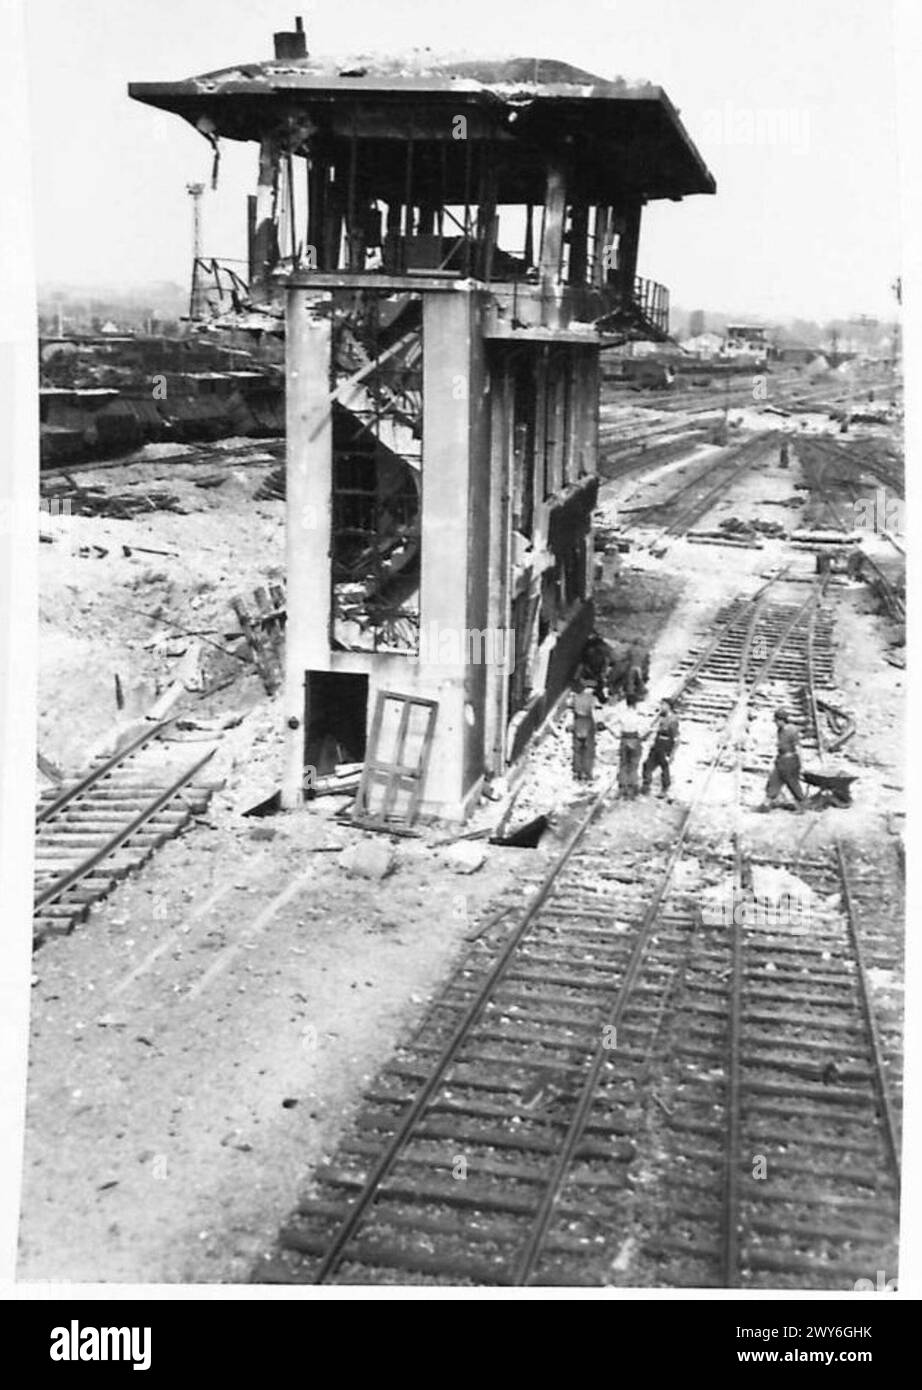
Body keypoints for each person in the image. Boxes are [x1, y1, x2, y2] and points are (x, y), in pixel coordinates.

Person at [761, 709, 806, 811]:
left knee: (793, 783)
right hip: (781, 760)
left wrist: (802, 765)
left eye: (776, 721)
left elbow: (798, 748)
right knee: (773, 780)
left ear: (782, 720)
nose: (775, 723)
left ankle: (802, 805)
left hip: (790, 761)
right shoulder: (780, 730)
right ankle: (765, 805)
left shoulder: (792, 730)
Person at [643, 698, 680, 795]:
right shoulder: (661, 717)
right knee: (647, 764)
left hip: (666, 744)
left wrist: (672, 753)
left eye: (663, 705)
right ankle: (646, 785)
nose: (661, 707)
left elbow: (676, 737)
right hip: (657, 743)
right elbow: (654, 728)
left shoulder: (673, 720)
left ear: (668, 706)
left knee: (664, 766)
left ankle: (665, 788)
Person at [570, 678, 597, 782]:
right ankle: (587, 772)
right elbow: (594, 712)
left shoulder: (575, 698)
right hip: (588, 722)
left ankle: (577, 772)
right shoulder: (591, 699)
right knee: (588, 749)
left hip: (578, 722)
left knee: (577, 749)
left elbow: (570, 709)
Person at [617, 703, 644, 798]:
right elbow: (644, 729)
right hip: (635, 739)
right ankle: (633, 786)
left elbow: (610, 724)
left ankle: (623, 786)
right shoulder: (638, 715)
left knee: (623, 764)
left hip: (624, 739)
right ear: (635, 704)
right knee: (634, 764)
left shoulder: (621, 714)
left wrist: (616, 735)